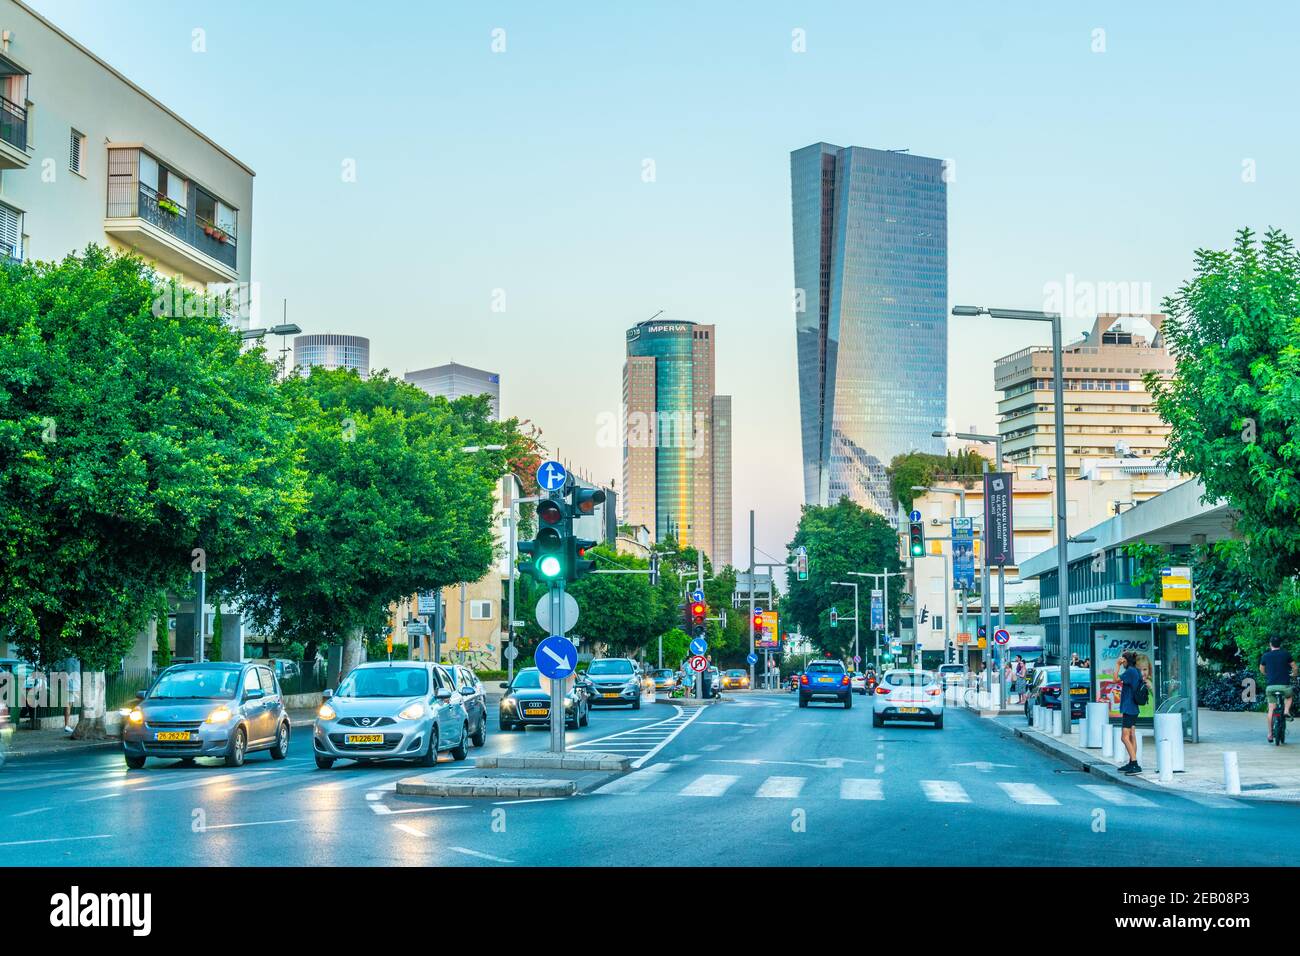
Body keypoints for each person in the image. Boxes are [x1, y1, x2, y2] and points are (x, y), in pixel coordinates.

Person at [1118, 650, 1150, 774]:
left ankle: (1135, 763)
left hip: (1129, 708)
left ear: (1126, 661)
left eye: (1122, 660)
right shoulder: (1135, 671)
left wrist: (1117, 665)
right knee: (1131, 735)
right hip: (1133, 708)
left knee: (1124, 737)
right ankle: (1132, 762)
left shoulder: (1130, 671)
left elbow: (1115, 679)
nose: (1121, 662)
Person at [1259, 635, 1296, 742]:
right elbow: (1294, 666)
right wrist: (1293, 674)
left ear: (1270, 644)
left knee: (1271, 709)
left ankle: (1270, 734)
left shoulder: (1266, 656)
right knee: (1289, 696)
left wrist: (1267, 674)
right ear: (1280, 644)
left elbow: (1261, 669)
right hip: (1284, 686)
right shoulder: (1286, 654)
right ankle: (1286, 711)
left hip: (1270, 687)